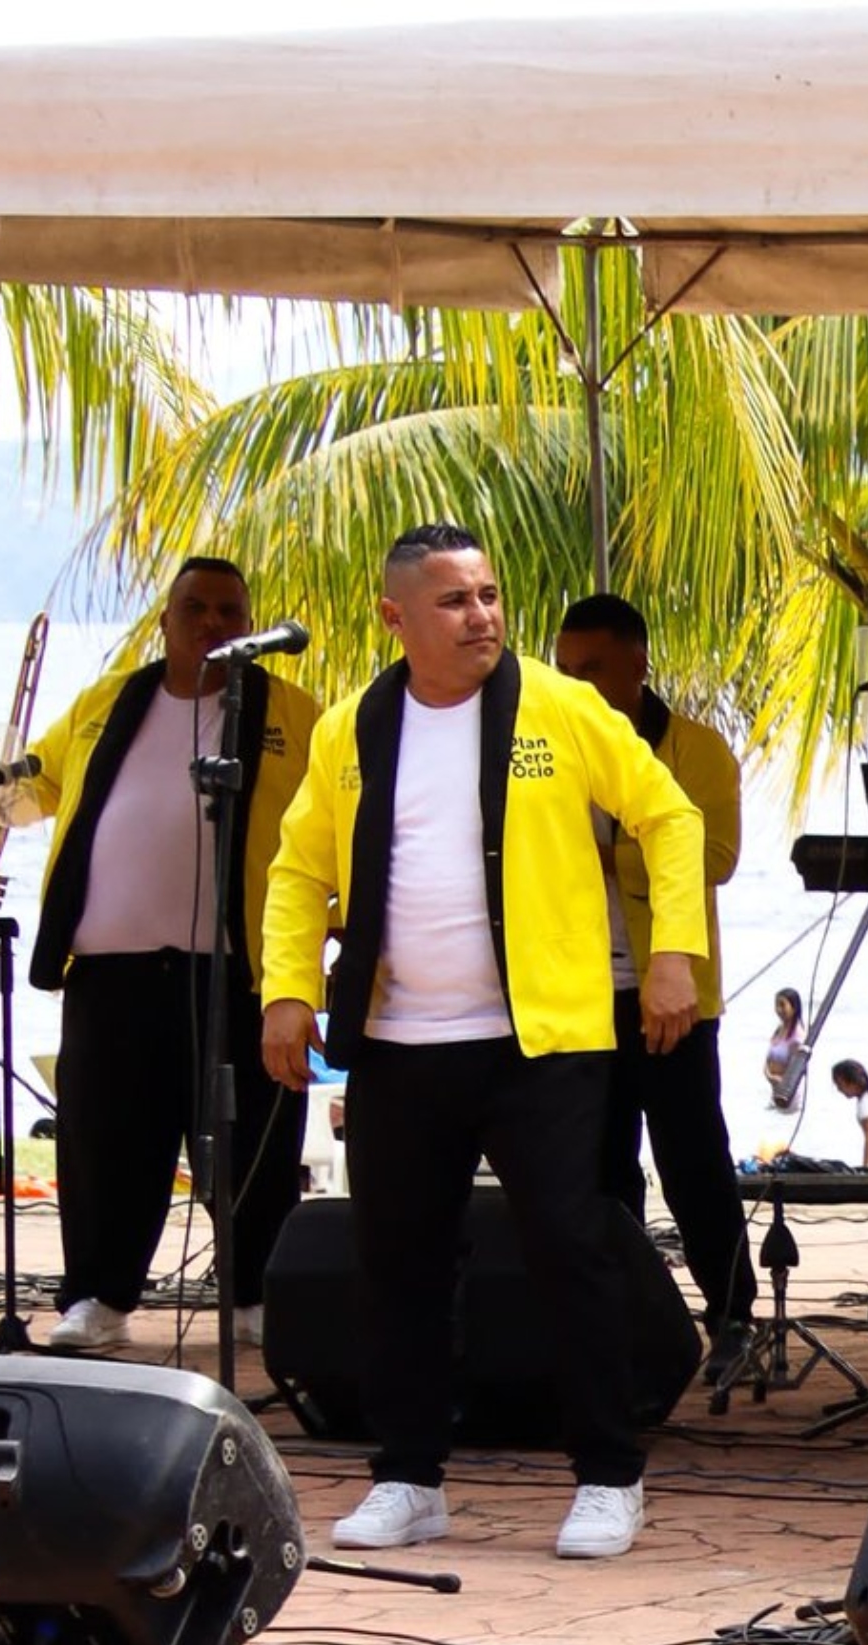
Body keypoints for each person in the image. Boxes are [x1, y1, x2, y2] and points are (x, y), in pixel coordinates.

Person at [260, 522, 707, 1561]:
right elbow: (296, 871)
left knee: (570, 1247)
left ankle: (608, 1475)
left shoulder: (560, 706)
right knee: (398, 1263)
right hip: (398, 1039)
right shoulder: (351, 729)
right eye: (456, 601)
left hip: (541, 1041)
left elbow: (669, 815)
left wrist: (673, 949)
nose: (482, 617)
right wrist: (288, 992)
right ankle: (409, 1476)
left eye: (490, 595)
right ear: (396, 617)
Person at [7, 556, 318, 1354]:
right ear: (166, 622)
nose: (214, 622)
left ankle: (255, 1295)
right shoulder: (111, 700)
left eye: (230, 609)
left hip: (237, 971)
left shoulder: (293, 711)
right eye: (197, 608)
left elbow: (337, 825)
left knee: (252, 1136)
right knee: (104, 1141)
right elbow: (35, 786)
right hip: (110, 973)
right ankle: (99, 1298)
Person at [554, 592, 759, 1386]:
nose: (578, 684)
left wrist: (610, 854)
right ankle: (624, 1322)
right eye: (566, 670)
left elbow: (716, 855)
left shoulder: (698, 750)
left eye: (594, 668)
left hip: (671, 991)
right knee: (600, 1169)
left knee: (694, 1159)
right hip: (577, 991)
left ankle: (734, 1312)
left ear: (637, 664)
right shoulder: (550, 749)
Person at [832, 1058, 868, 1168]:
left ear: (852, 1082)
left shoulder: (866, 1103)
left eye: (839, 1084)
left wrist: (866, 1167)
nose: (839, 1089)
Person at [763, 986, 809, 1112]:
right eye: (776, 1005)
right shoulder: (779, 1029)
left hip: (789, 1097)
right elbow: (768, 1059)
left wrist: (778, 1080)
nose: (778, 1009)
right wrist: (768, 1074)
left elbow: (795, 1069)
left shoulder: (798, 1036)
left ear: (794, 1007)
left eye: (782, 1005)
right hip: (774, 1094)